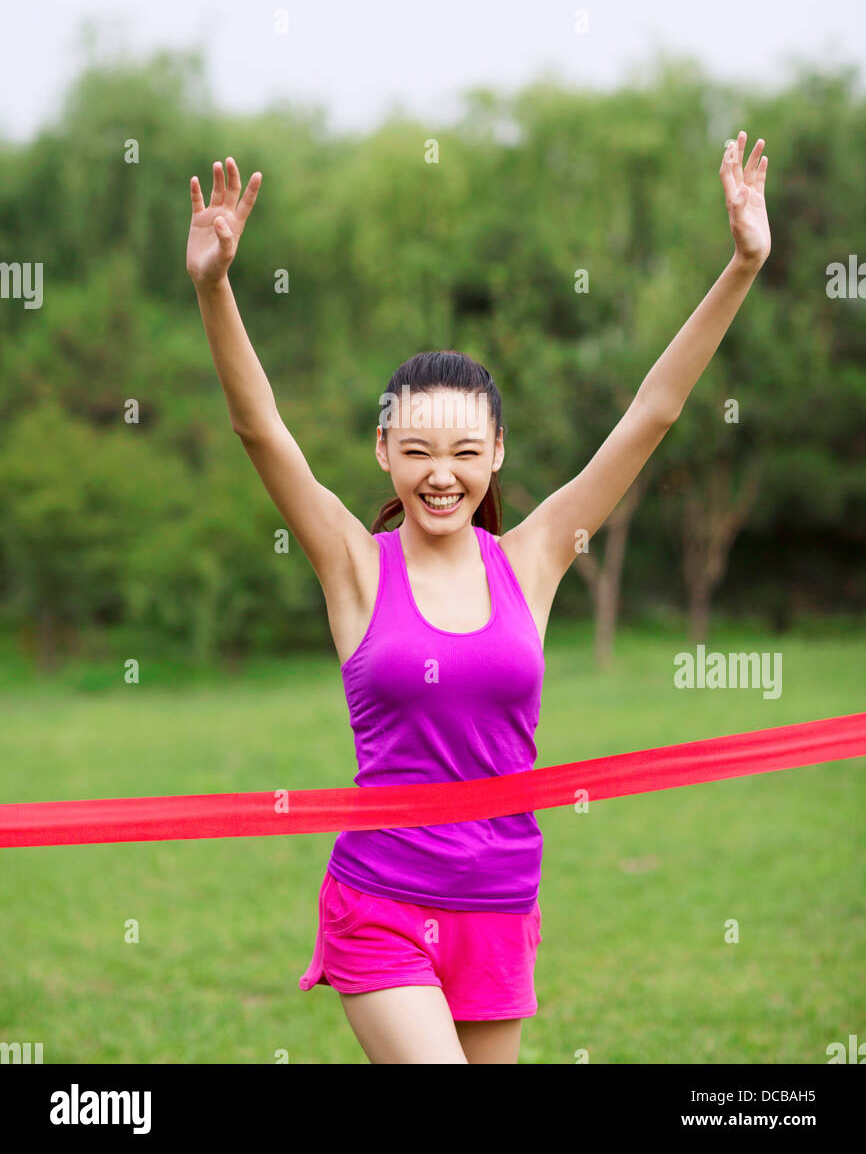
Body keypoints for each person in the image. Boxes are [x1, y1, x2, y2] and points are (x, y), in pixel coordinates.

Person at [186, 132, 771, 1063]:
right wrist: (215, 287)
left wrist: (743, 264)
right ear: (385, 454)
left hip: (500, 904)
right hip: (381, 901)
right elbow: (260, 429)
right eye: (417, 450)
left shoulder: (532, 559)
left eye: (464, 451)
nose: (441, 474)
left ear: (496, 452)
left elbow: (651, 414)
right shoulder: (354, 564)